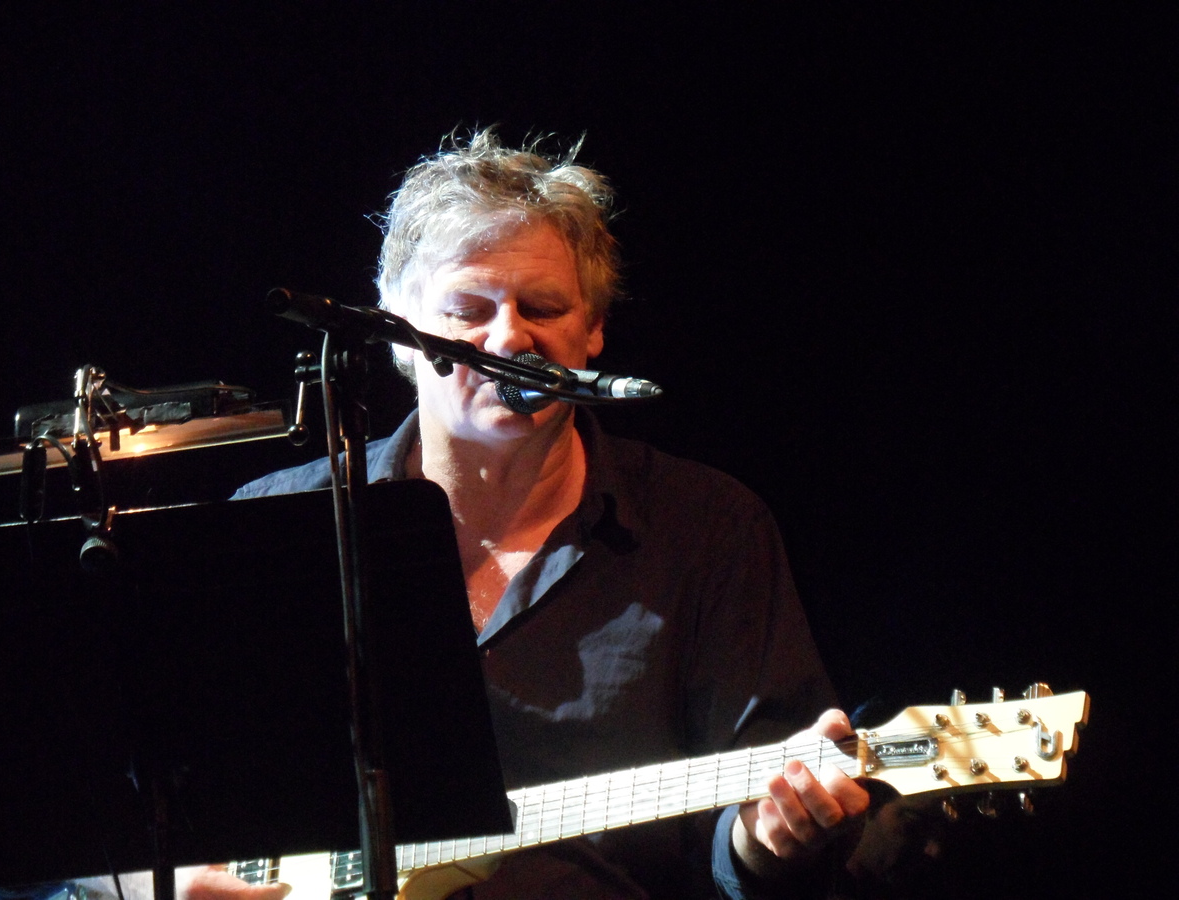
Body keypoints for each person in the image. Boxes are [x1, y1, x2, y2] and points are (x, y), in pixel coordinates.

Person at [231, 128, 884, 899]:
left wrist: (768, 837)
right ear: (399, 335)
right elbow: (140, 798)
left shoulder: (708, 529)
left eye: (542, 306)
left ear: (592, 330)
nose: (510, 336)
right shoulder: (276, 521)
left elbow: (745, 838)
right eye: (469, 308)